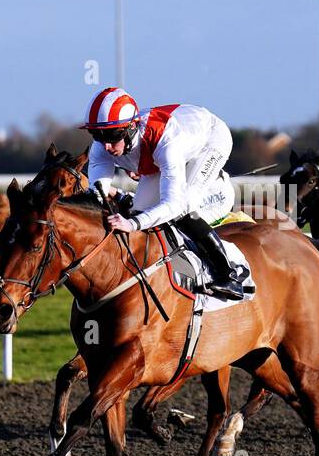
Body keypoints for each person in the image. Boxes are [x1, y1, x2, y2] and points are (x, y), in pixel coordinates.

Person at [81, 86, 250, 300]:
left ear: (131, 127)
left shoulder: (168, 143)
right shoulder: (103, 146)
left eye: (113, 136)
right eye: (97, 136)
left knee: (184, 205)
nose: (105, 145)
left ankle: (228, 274)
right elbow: (97, 194)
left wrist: (131, 224)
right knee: (140, 210)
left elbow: (174, 204)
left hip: (210, 140)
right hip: (161, 149)